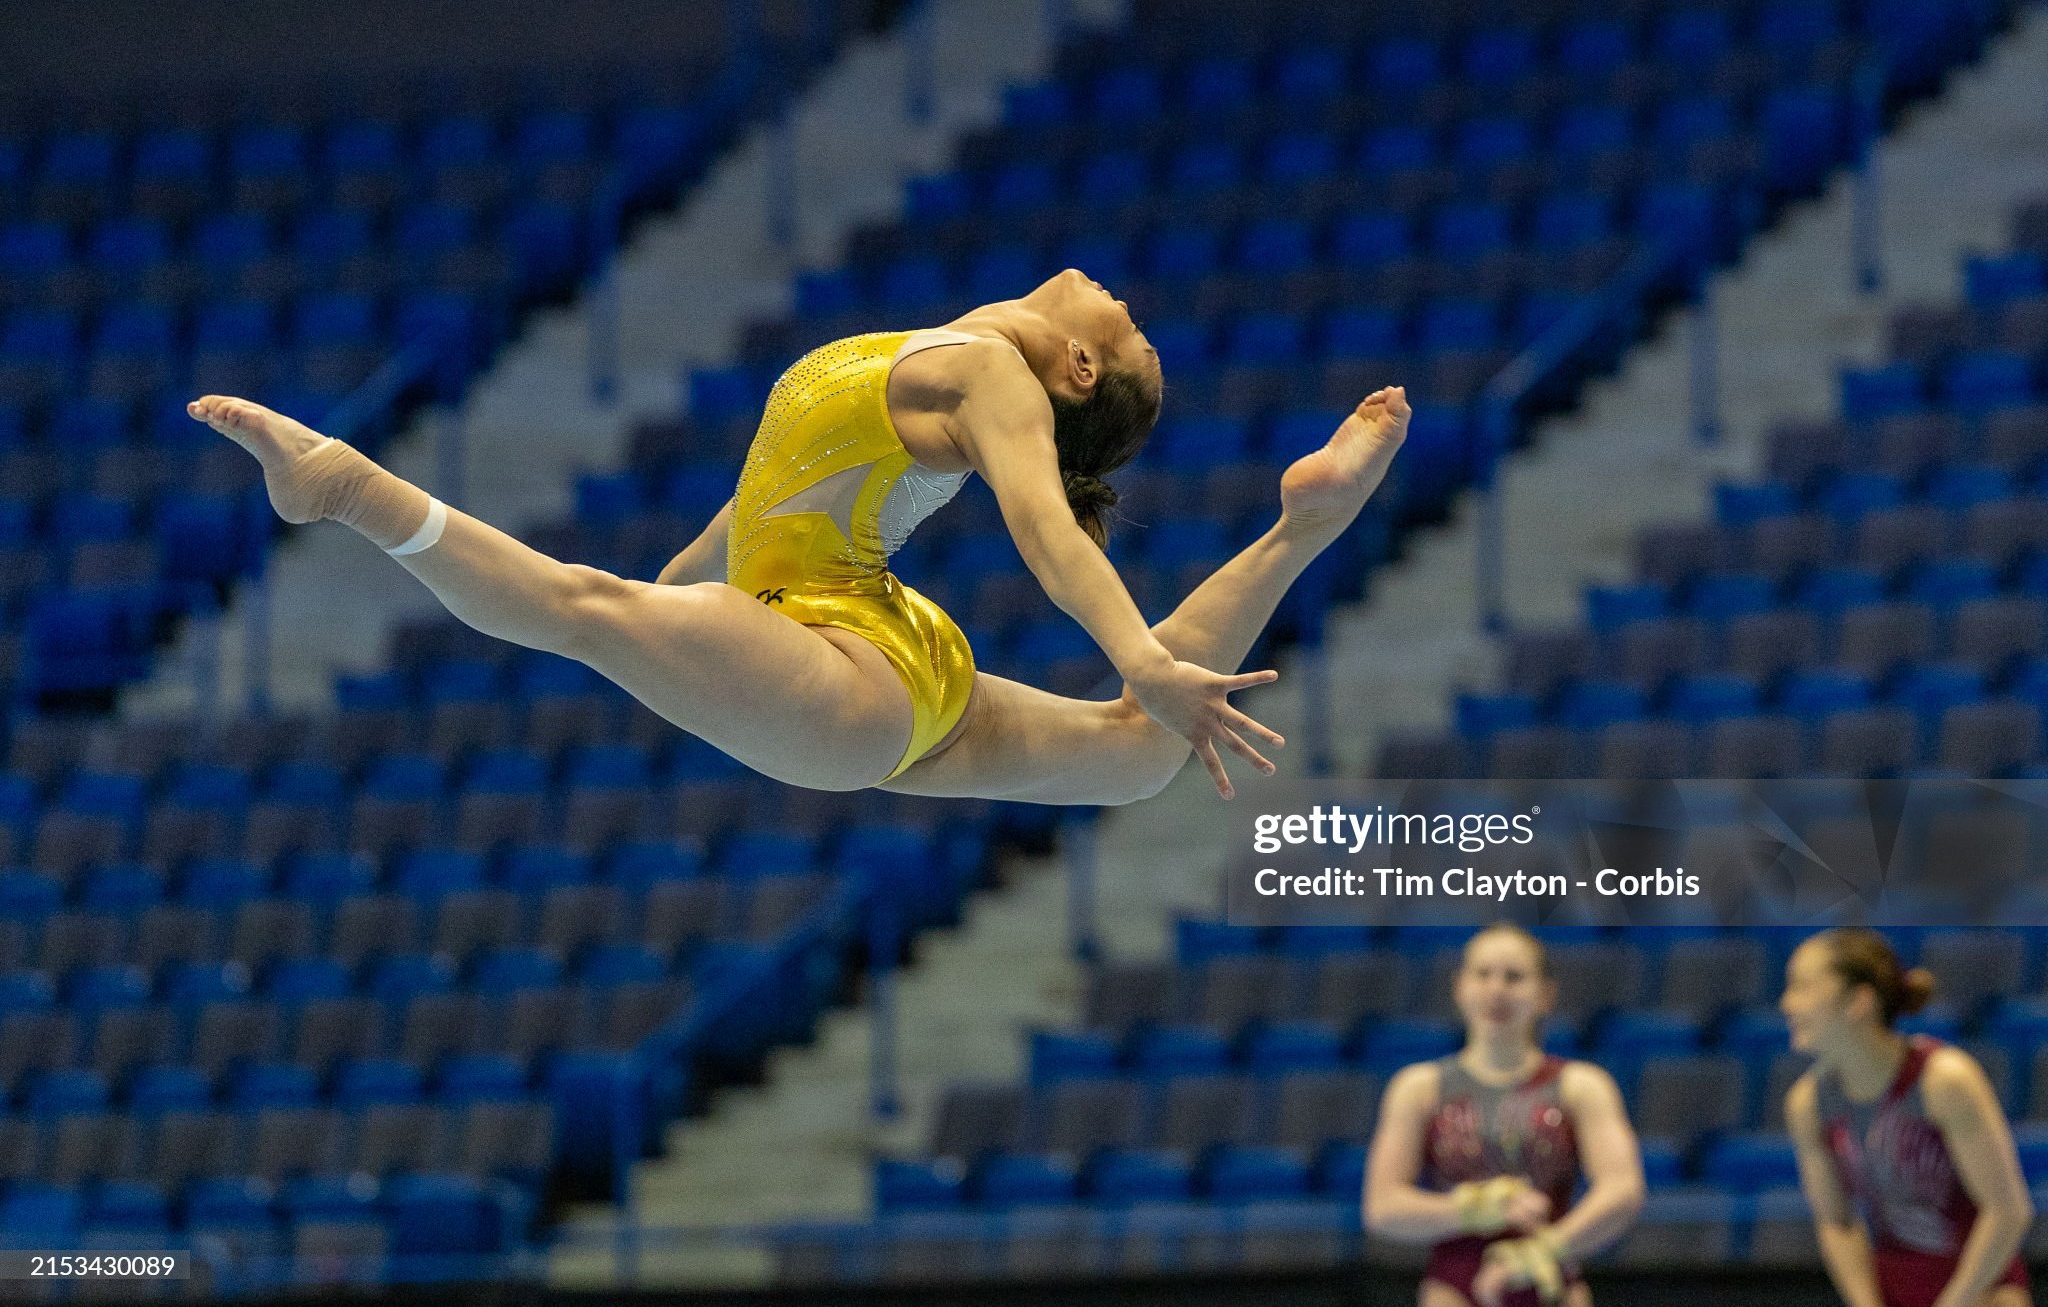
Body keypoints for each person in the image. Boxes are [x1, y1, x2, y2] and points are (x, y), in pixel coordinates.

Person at [187, 268, 1410, 802]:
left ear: (1077, 365)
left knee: (580, 611)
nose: (1119, 297)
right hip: (868, 650)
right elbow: (776, 496)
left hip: (849, 666)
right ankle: (1302, 530)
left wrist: (1144, 655)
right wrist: (678, 591)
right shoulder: (943, 357)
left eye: (1126, 327)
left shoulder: (992, 375)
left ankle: (342, 488)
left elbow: (1044, 531)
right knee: (1136, 756)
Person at [1365, 925, 1646, 1307]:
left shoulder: (1581, 1086)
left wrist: (1545, 1250)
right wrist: (1474, 1210)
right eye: (1482, 975)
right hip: (1454, 1290)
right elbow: (1382, 1206)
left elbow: (1622, 1190)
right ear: (1459, 986)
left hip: (1553, 1288)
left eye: (1514, 977)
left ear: (1545, 994)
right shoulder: (1419, 1088)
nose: (1496, 990)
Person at [1782, 929, 2032, 1307]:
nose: (1787, 1004)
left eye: (1802, 987)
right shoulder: (1807, 1103)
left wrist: (1956, 1301)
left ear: (1858, 1001)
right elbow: (1837, 1222)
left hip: (1981, 1290)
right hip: (1891, 1290)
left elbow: (2008, 1211)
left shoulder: (1944, 1081)